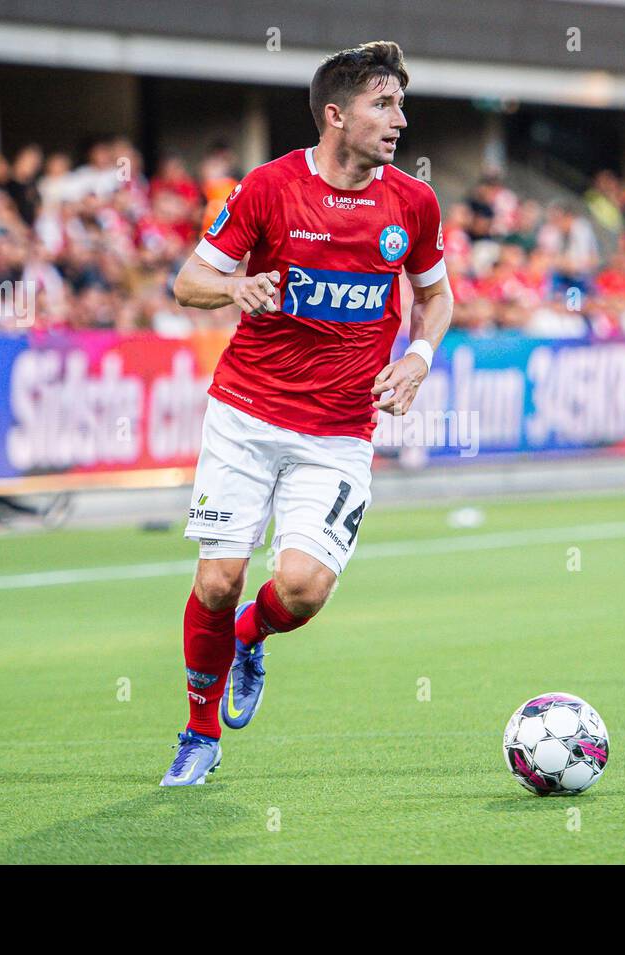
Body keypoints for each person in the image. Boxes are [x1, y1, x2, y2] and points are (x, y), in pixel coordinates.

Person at [161, 40, 453, 785]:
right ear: (335, 114)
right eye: (382, 104)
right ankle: (199, 735)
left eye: (400, 104)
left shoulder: (412, 202)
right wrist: (235, 289)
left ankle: (250, 638)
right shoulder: (269, 187)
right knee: (217, 580)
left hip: (339, 429)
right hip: (246, 415)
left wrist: (417, 358)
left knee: (301, 590)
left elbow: (435, 294)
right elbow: (188, 281)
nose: (399, 119)